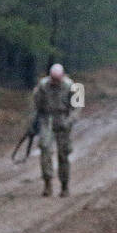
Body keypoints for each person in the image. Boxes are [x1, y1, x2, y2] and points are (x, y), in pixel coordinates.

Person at [31, 63, 78, 196]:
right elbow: (36, 104)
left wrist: (69, 121)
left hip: (63, 118)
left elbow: (77, 108)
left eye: (57, 79)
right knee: (45, 149)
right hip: (47, 119)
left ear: (62, 77)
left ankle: (64, 186)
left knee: (64, 153)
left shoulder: (73, 86)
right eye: (53, 79)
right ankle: (47, 183)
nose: (55, 82)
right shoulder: (42, 85)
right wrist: (34, 122)